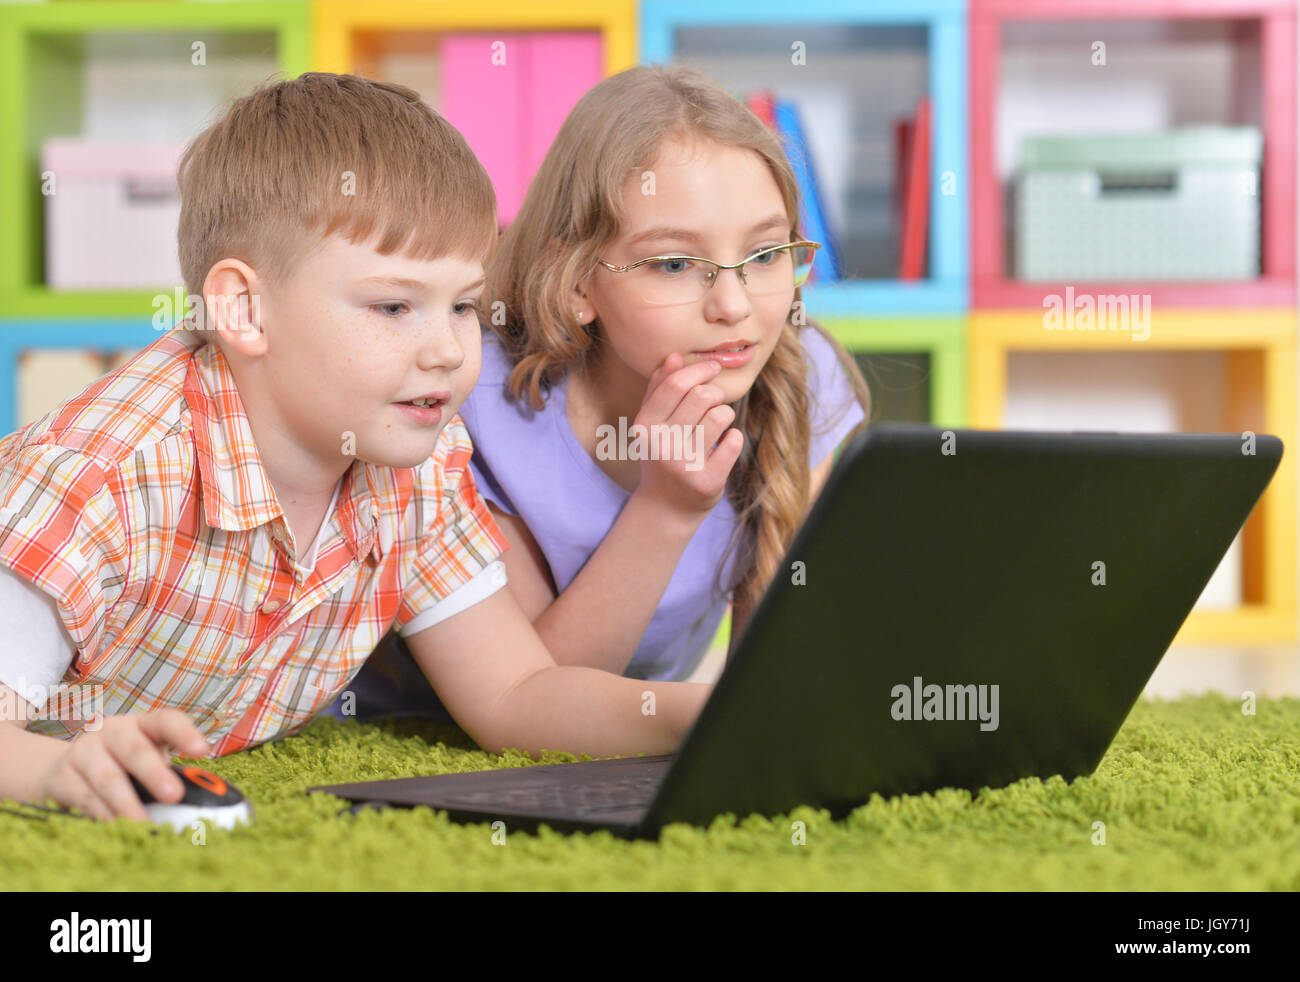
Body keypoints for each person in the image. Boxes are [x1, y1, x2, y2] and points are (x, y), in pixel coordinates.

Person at [0, 72, 710, 824]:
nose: (446, 350)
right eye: (394, 306)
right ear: (244, 309)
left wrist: (689, 712)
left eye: (464, 305)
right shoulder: (102, 478)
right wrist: (58, 773)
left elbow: (513, 693)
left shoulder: (418, 462)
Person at [332, 65, 870, 722]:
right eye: (674, 264)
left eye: (765, 255)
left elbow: (772, 669)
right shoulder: (479, 405)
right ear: (577, 283)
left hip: (635, 727)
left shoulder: (796, 369)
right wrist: (667, 505)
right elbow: (534, 696)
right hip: (414, 726)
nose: (734, 306)